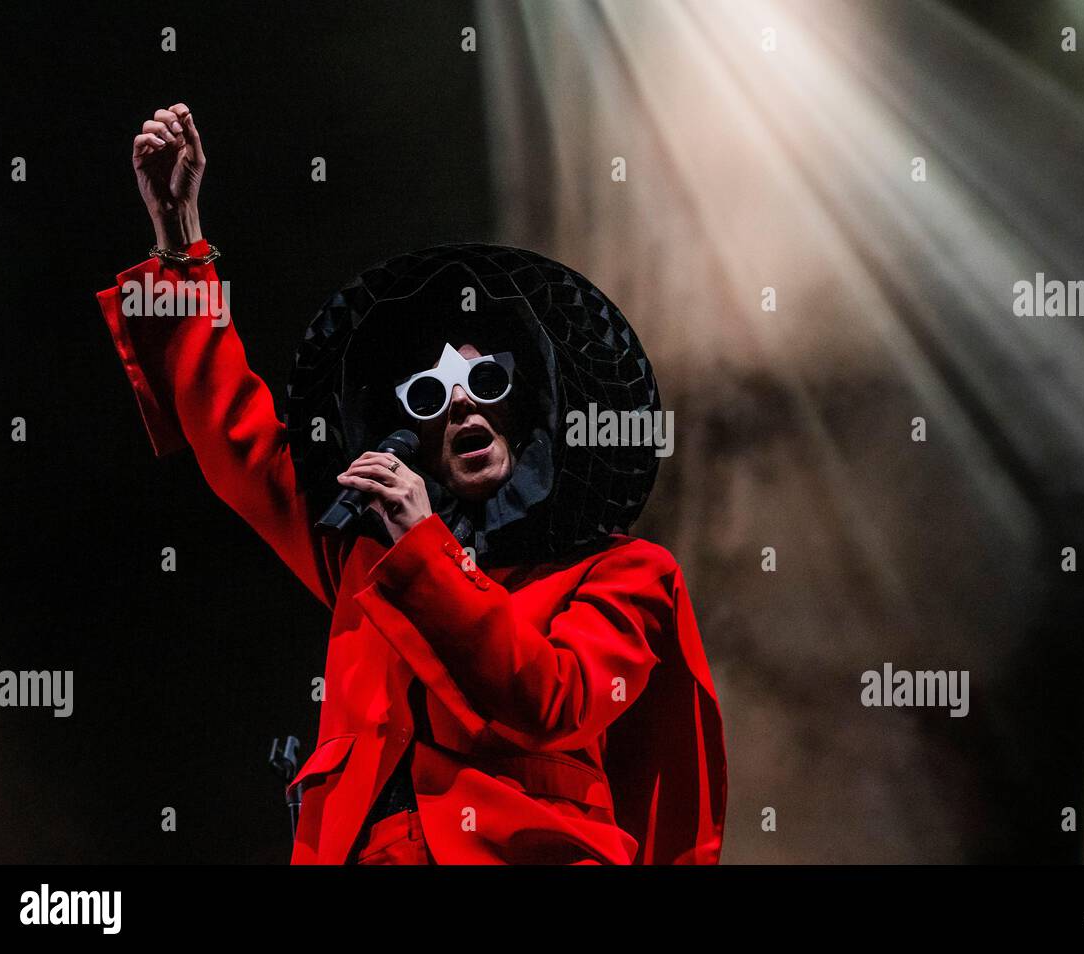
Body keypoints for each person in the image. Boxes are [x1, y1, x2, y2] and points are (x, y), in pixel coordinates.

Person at [96, 102, 727, 864]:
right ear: (419, 437)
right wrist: (180, 243)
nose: (459, 400)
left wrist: (426, 547)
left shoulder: (625, 574)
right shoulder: (368, 562)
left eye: (482, 382)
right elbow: (233, 437)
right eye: (431, 395)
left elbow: (553, 698)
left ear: (528, 413)